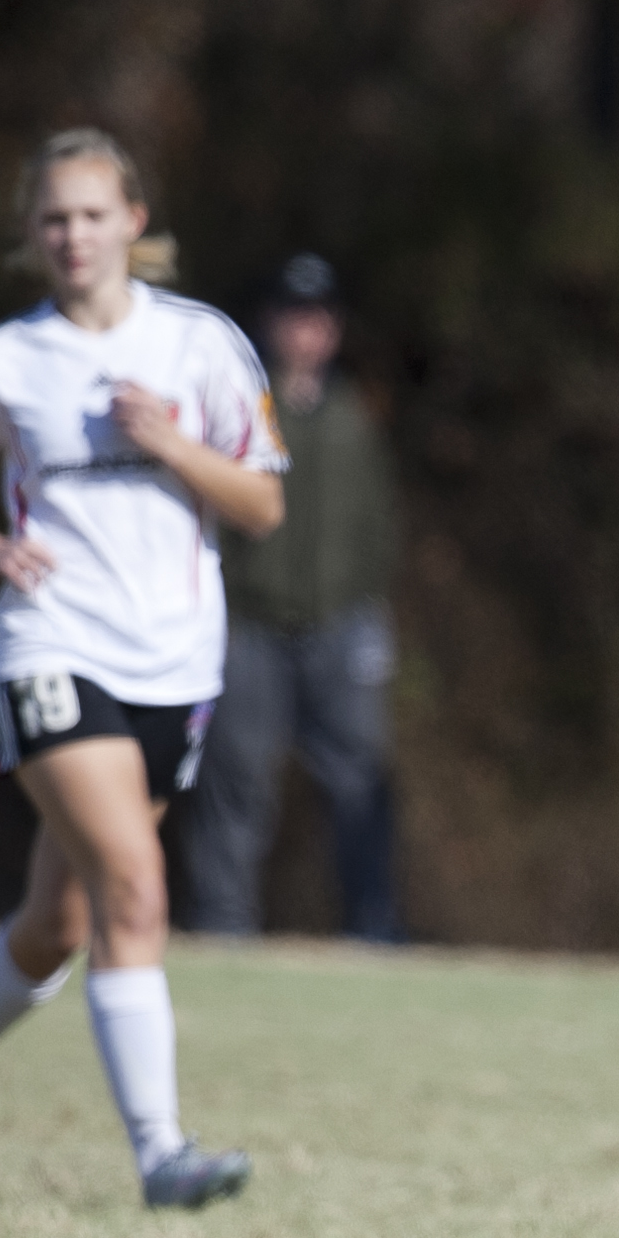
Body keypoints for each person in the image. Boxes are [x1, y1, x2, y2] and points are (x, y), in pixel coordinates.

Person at [0, 128, 286, 1208]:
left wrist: (175, 447)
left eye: (93, 214)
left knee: (55, 923)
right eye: (53, 218)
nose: (73, 235)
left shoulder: (204, 346)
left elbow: (262, 503)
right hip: (51, 642)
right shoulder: (6, 362)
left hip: (173, 664)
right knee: (134, 890)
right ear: (30, 236)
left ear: (134, 224)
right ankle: (162, 1153)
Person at [180, 253, 403, 941]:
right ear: (270, 323)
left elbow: (376, 524)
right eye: (293, 317)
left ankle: (375, 935)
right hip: (250, 627)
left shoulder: (353, 413)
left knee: (362, 784)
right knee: (237, 785)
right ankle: (224, 931)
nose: (306, 333)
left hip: (340, 626)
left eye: (319, 319)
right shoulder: (238, 405)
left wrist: (370, 608)